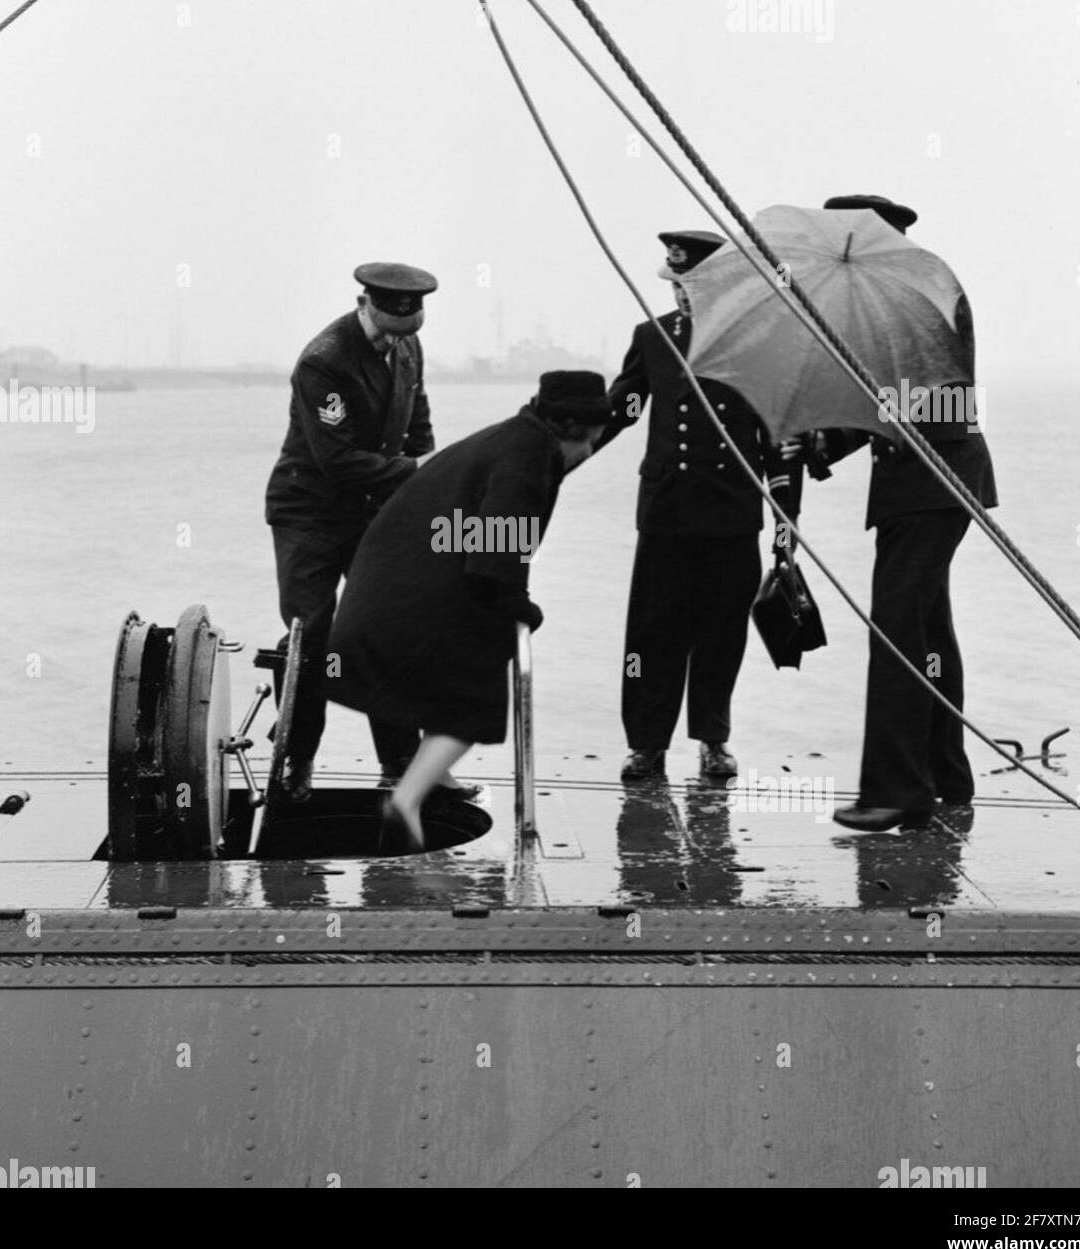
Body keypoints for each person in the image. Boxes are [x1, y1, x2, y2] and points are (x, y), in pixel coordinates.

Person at [327, 371, 611, 851]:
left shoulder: (514, 437)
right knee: (475, 696)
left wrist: (510, 601)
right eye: (594, 440)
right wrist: (520, 609)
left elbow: (479, 536)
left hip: (384, 598)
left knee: (454, 677)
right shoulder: (528, 456)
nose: (590, 453)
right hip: (406, 604)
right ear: (578, 432)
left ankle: (430, 778)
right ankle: (408, 798)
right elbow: (497, 552)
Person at [812, 195, 998, 832]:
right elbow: (890, 400)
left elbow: (941, 397)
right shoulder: (902, 294)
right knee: (927, 631)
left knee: (895, 630)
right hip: (925, 484)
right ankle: (946, 777)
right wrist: (825, 443)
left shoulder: (918, 292)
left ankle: (897, 791)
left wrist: (860, 424)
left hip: (933, 481)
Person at [598, 230, 801, 783]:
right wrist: (556, 449)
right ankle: (646, 745)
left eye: (694, 284)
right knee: (652, 634)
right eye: (676, 283)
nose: (682, 294)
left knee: (721, 633)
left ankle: (713, 741)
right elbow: (623, 409)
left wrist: (787, 518)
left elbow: (780, 439)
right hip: (665, 513)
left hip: (731, 513)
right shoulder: (653, 337)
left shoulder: (759, 345)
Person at [264, 262, 439, 801]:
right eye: (387, 328)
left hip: (372, 509)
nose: (394, 339)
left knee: (383, 629)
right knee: (310, 634)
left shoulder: (407, 347)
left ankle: (401, 764)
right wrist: (415, 474)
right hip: (309, 511)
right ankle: (297, 760)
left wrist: (426, 472)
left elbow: (418, 423)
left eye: (405, 329)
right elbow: (337, 460)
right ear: (364, 303)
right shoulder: (325, 361)